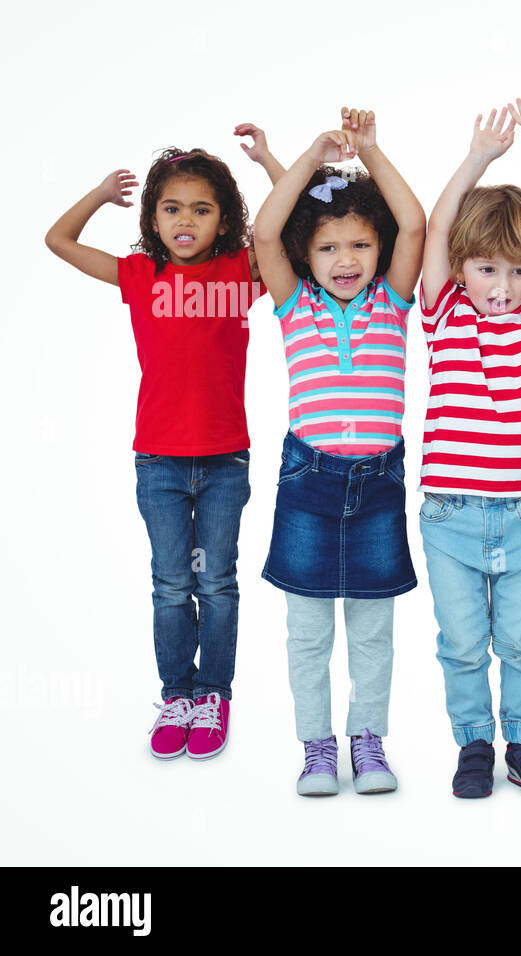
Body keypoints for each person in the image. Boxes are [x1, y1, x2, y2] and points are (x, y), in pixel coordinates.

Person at [45, 129, 284, 760]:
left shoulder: (241, 272)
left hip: (225, 461)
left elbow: (286, 230)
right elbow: (58, 242)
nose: (186, 220)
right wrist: (100, 194)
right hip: (158, 463)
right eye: (172, 208)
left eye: (202, 209)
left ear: (224, 219)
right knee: (172, 583)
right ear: (153, 217)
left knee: (218, 584)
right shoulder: (140, 275)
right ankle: (176, 693)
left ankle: (214, 694)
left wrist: (265, 161)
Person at [254, 108, 424, 797]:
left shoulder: (393, 301)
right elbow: (267, 228)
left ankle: (369, 741)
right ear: (306, 257)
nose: (346, 261)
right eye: (328, 249)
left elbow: (413, 223)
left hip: (378, 482)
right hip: (310, 482)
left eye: (359, 245)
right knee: (307, 631)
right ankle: (317, 746)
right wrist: (310, 154)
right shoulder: (294, 304)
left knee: (373, 628)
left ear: (378, 249)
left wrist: (373, 151)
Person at [418, 99, 521, 799]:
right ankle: (474, 744)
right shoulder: (444, 310)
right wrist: (478, 158)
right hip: (449, 517)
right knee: (459, 644)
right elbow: (434, 228)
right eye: (486, 270)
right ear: (460, 269)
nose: (503, 288)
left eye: (517, 271)